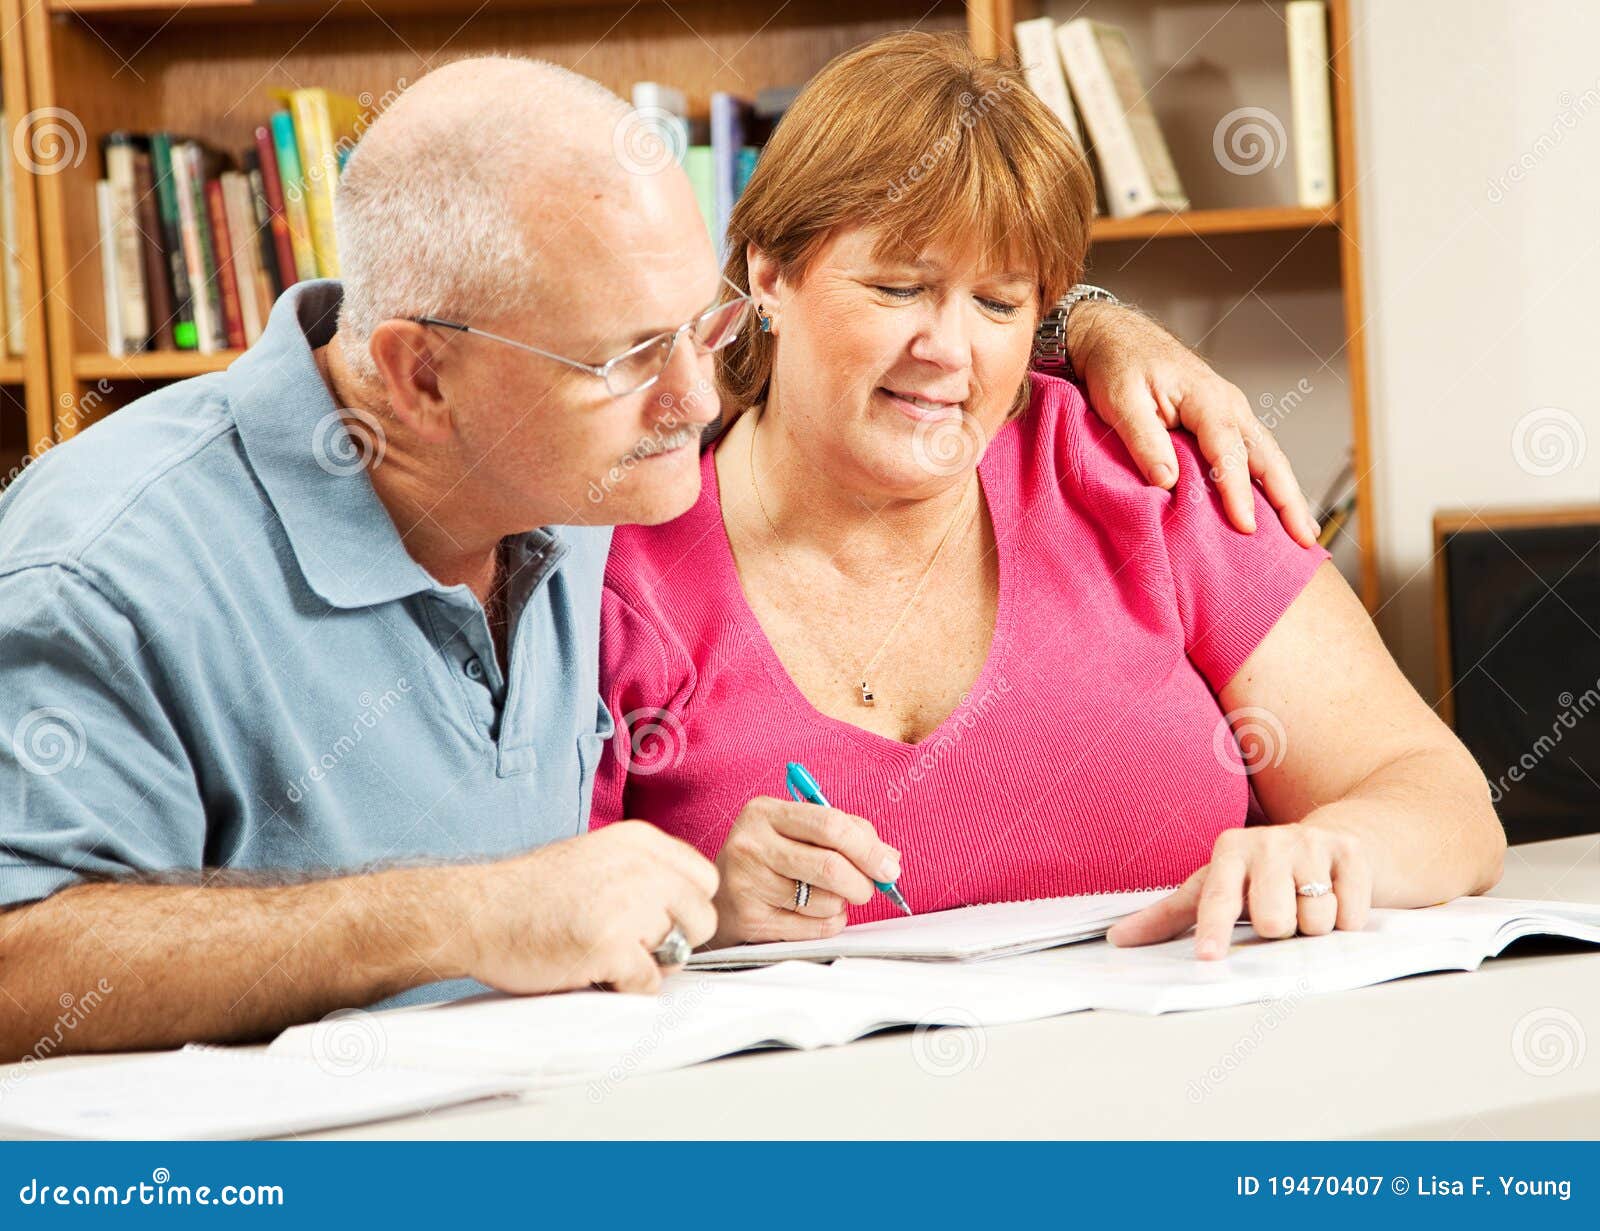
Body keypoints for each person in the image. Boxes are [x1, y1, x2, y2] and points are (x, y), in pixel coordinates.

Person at [0, 53, 1298, 1061]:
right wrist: (466, 914)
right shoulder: (108, 564)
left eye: (703, 325)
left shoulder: (569, 469)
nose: (698, 393)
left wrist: (1089, 319)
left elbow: (897, 314)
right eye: (627, 355)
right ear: (420, 372)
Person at [592, 32, 1506, 957]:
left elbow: (1438, 795)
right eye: (899, 287)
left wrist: (1330, 849)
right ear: (770, 275)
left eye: (998, 304)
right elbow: (534, 939)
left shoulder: (1139, 474)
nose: (949, 349)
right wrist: (695, 917)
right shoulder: (621, 577)